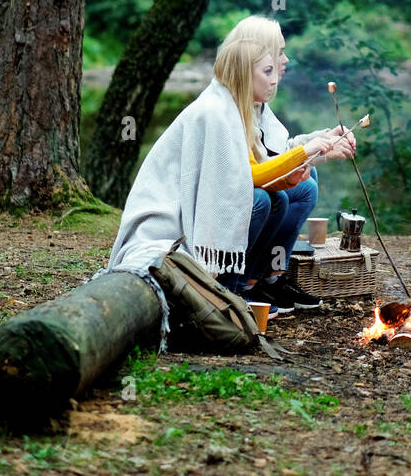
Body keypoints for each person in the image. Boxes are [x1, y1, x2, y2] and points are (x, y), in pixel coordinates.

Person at [107, 17, 356, 325]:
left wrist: (323, 142)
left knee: (305, 185)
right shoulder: (215, 111)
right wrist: (309, 150)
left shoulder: (249, 102)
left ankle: (262, 282)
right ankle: (228, 287)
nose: (285, 60)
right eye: (277, 53)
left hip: (220, 196)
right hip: (176, 221)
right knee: (263, 200)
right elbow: (245, 178)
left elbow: (274, 153)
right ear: (250, 61)